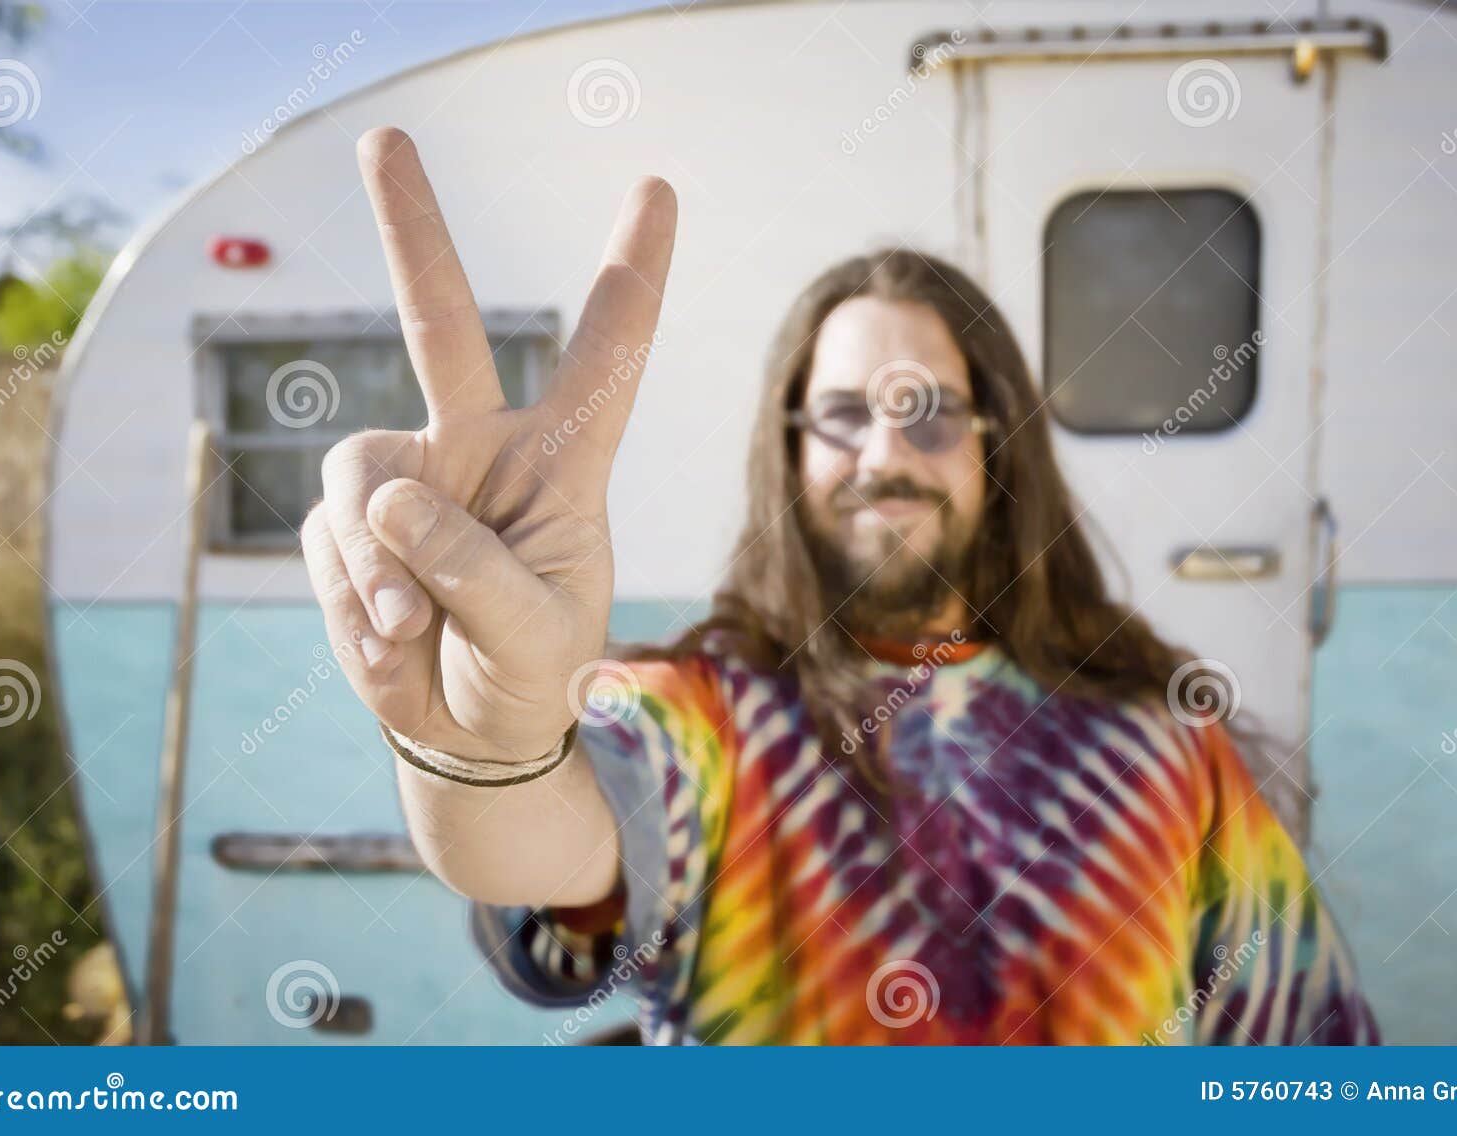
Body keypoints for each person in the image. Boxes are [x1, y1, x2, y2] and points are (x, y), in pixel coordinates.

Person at [302, 126, 1380, 1045]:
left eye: (930, 414)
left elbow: (1311, 1049)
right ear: (793, 446)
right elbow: (554, 849)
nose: (882, 455)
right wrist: (491, 750)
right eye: (845, 412)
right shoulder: (703, 713)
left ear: (994, 447)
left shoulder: (1162, 740)